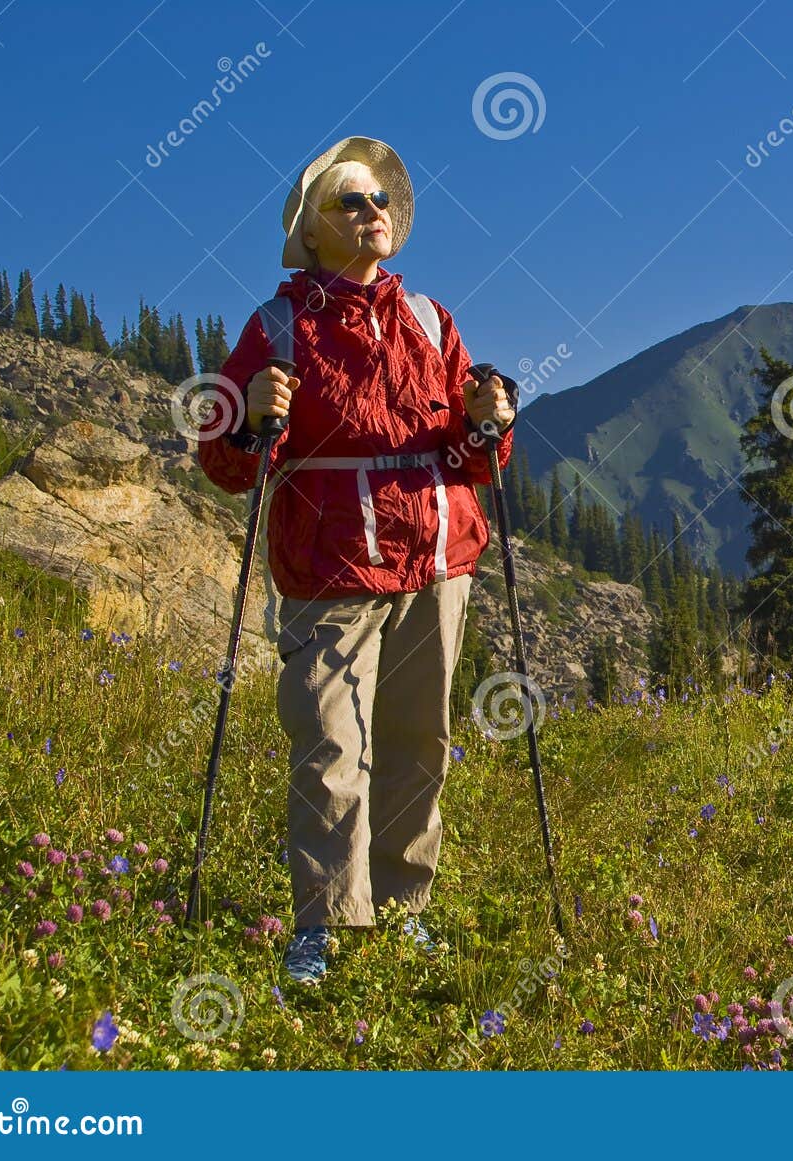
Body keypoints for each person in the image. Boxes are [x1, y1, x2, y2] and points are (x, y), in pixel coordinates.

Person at [197, 136, 517, 984]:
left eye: (379, 201)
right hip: (329, 563)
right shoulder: (277, 326)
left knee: (420, 739)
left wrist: (490, 419)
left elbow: (473, 457)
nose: (372, 213)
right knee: (330, 742)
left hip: (438, 556)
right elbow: (226, 466)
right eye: (351, 201)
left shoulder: (429, 320)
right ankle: (327, 924)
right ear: (312, 226)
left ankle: (405, 908)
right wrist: (245, 414)